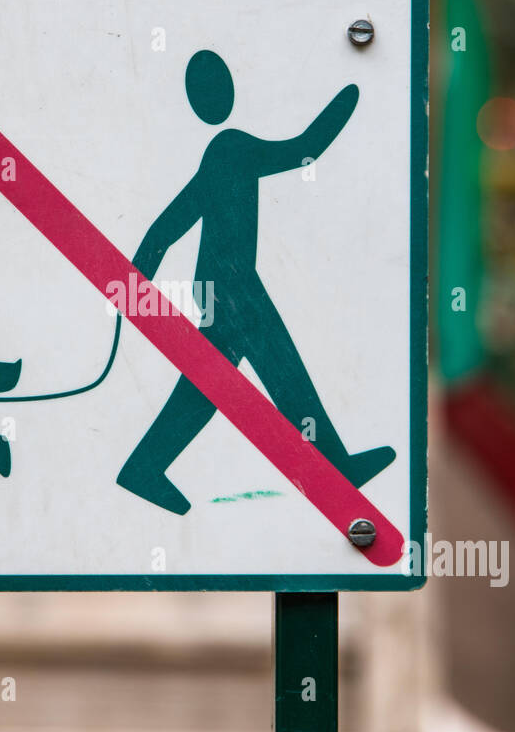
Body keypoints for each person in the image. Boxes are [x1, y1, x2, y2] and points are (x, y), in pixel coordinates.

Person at [117, 50, 395, 515]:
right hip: (233, 286)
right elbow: (304, 149)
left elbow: (169, 225)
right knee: (276, 368)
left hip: (225, 283)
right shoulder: (232, 148)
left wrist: (135, 278)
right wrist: (346, 100)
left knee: (212, 383)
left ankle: (146, 465)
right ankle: (334, 463)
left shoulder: (221, 151)